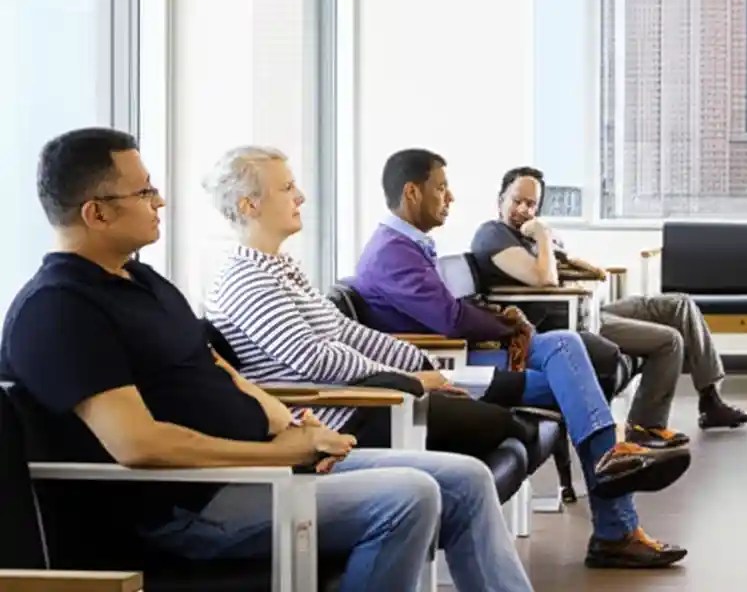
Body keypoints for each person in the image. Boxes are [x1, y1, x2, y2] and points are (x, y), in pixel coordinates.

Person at [0, 128, 533, 592]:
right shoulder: (59, 309)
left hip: (260, 464)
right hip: (191, 503)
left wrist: (294, 427)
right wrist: (275, 457)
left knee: (465, 479)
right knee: (408, 496)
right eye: (144, 192)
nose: (159, 202)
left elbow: (218, 369)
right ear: (95, 212)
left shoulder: (141, 281)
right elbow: (138, 444)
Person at [352, 148, 690, 569]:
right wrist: (508, 326)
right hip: (447, 370)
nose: (450, 197)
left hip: (464, 353)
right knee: (576, 384)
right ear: (412, 192)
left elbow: (450, 312)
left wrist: (501, 319)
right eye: (441, 188)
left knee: (566, 345)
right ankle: (615, 524)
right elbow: (450, 319)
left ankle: (614, 488)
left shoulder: (409, 245)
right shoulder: (392, 252)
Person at [201, 145, 536, 462]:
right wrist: (411, 380)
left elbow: (346, 332)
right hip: (333, 418)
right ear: (249, 205)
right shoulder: (245, 279)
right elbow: (315, 359)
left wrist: (423, 366)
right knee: (510, 428)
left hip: (364, 399)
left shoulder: (280, 267)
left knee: (510, 429)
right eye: (287, 188)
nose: (300, 196)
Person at [471, 166, 747, 432]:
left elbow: (559, 266)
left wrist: (563, 253)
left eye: (531, 205)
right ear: (500, 201)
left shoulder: (525, 236)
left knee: (679, 305)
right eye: (517, 201)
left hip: (585, 310)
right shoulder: (492, 234)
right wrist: (543, 234)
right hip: (562, 325)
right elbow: (544, 278)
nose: (524, 210)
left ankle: (710, 399)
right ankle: (646, 427)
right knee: (669, 340)